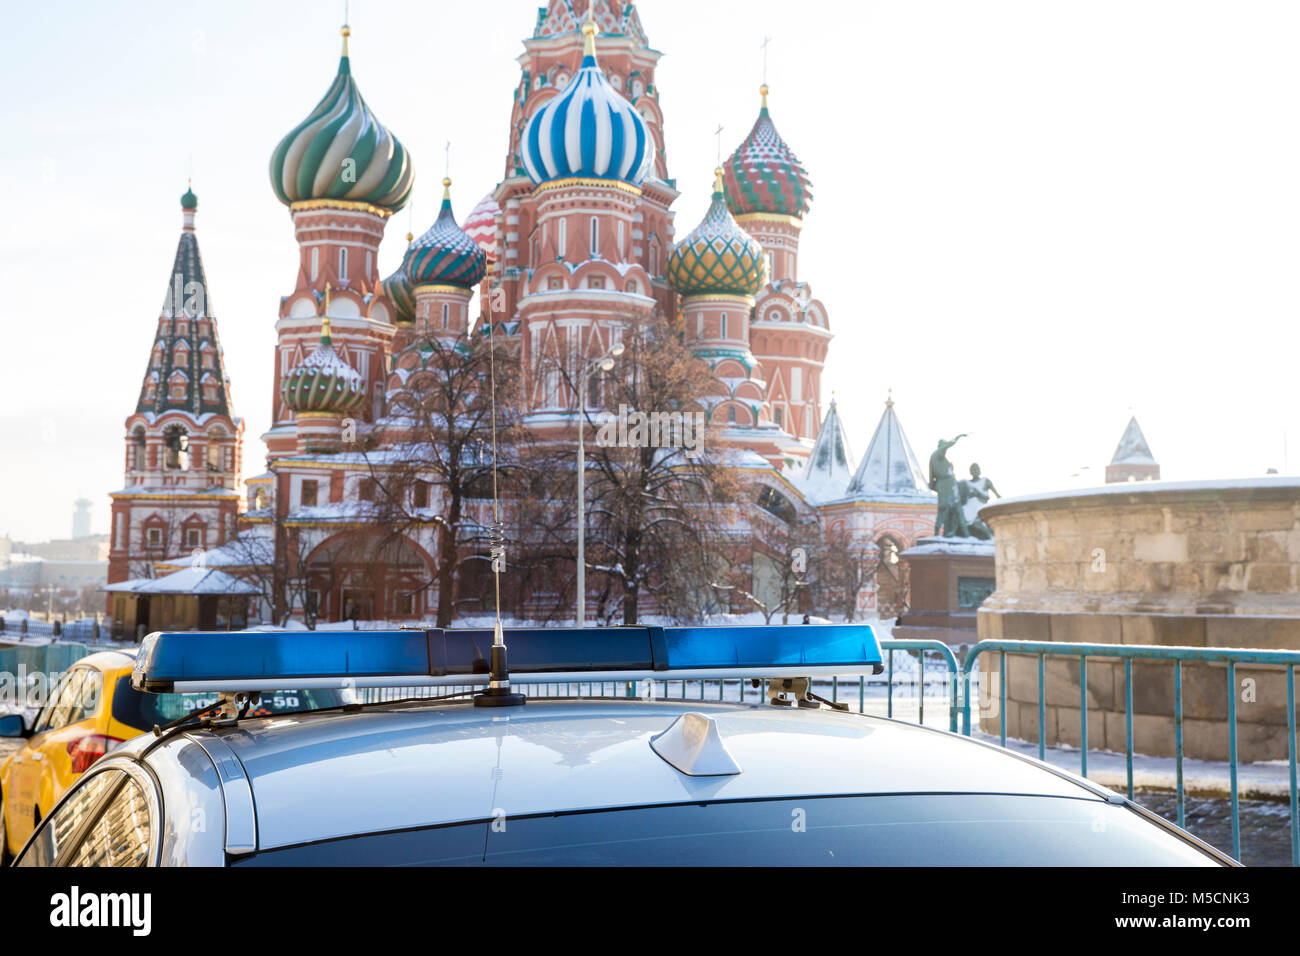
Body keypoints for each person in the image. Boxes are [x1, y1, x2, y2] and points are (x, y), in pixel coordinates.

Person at [928, 435, 969, 538]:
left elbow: (931, 477)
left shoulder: (936, 457)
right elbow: (946, 446)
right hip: (946, 485)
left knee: (952, 509)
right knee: (945, 508)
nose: (944, 449)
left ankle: (956, 532)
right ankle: (938, 532)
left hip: (948, 484)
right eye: (943, 446)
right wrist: (958, 437)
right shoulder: (938, 454)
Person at [959, 463, 1000, 540]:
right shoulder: (967, 483)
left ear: (979, 471)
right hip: (969, 505)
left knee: (977, 517)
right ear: (970, 472)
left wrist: (978, 494)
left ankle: (989, 536)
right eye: (973, 470)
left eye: (976, 469)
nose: (974, 471)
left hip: (980, 505)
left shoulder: (985, 480)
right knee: (961, 512)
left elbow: (992, 495)